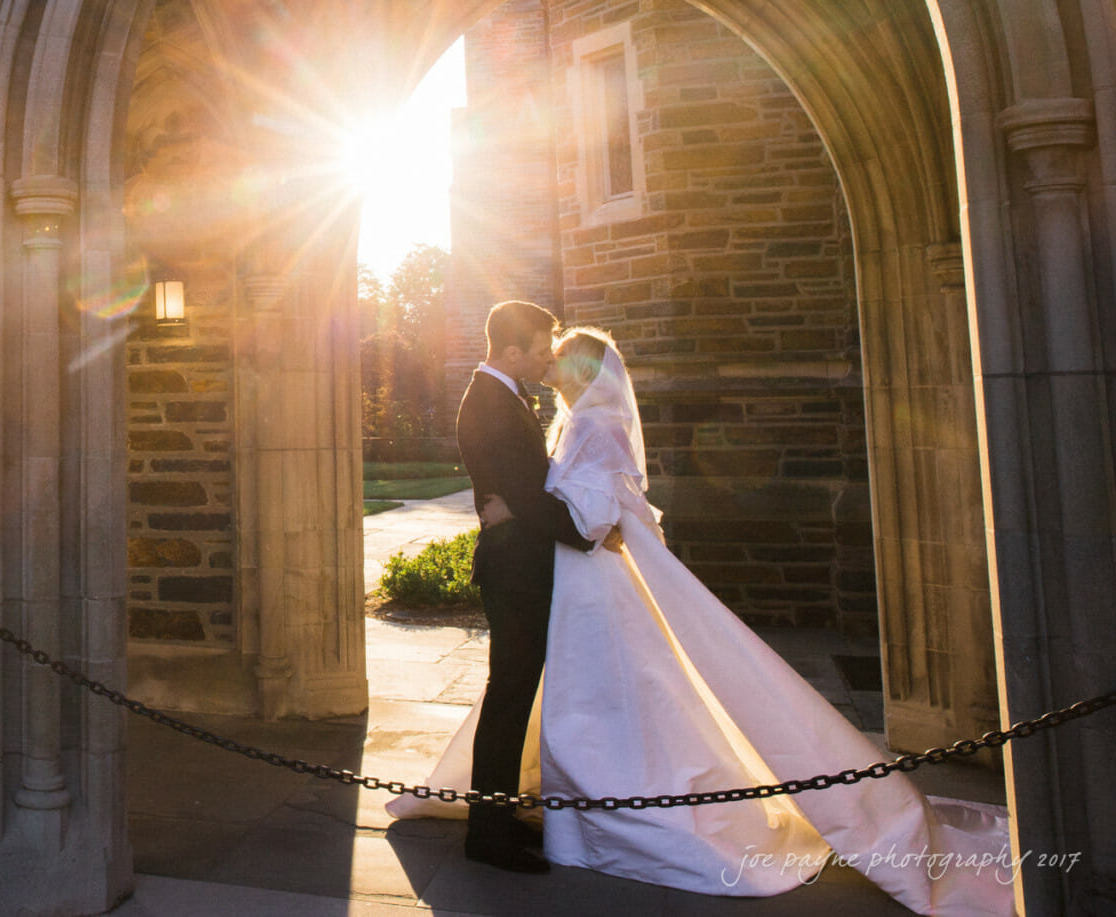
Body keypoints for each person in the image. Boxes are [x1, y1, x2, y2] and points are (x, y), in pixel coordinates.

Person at [392, 327, 1016, 914]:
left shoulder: (597, 425)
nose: (548, 360)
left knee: (603, 692)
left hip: (590, 580)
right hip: (570, 582)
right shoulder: (571, 419)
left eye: (558, 355)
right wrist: (522, 509)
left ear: (579, 371)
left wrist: (520, 512)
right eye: (545, 351)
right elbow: (567, 499)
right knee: (574, 694)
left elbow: (596, 515)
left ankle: (585, 813)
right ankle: (540, 816)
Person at [446, 300, 594, 873]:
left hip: (523, 559)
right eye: (538, 349)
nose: (546, 357)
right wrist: (591, 534)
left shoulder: (506, 395)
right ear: (510, 352)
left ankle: (499, 814)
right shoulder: (488, 403)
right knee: (508, 696)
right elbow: (529, 498)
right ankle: (487, 834)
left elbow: (523, 493)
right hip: (514, 568)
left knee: (514, 693)